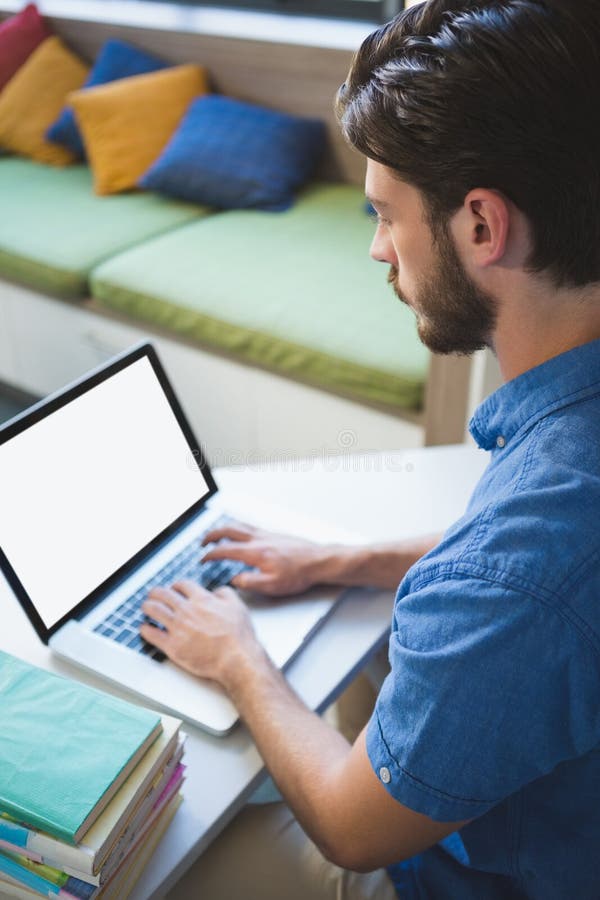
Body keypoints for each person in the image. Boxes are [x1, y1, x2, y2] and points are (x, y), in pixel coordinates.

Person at [145, 1, 600, 897]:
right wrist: (346, 560)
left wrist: (237, 654)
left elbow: (355, 831)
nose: (376, 250)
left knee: (176, 846)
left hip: (478, 878)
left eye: (386, 213)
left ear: (481, 225)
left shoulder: (522, 560)